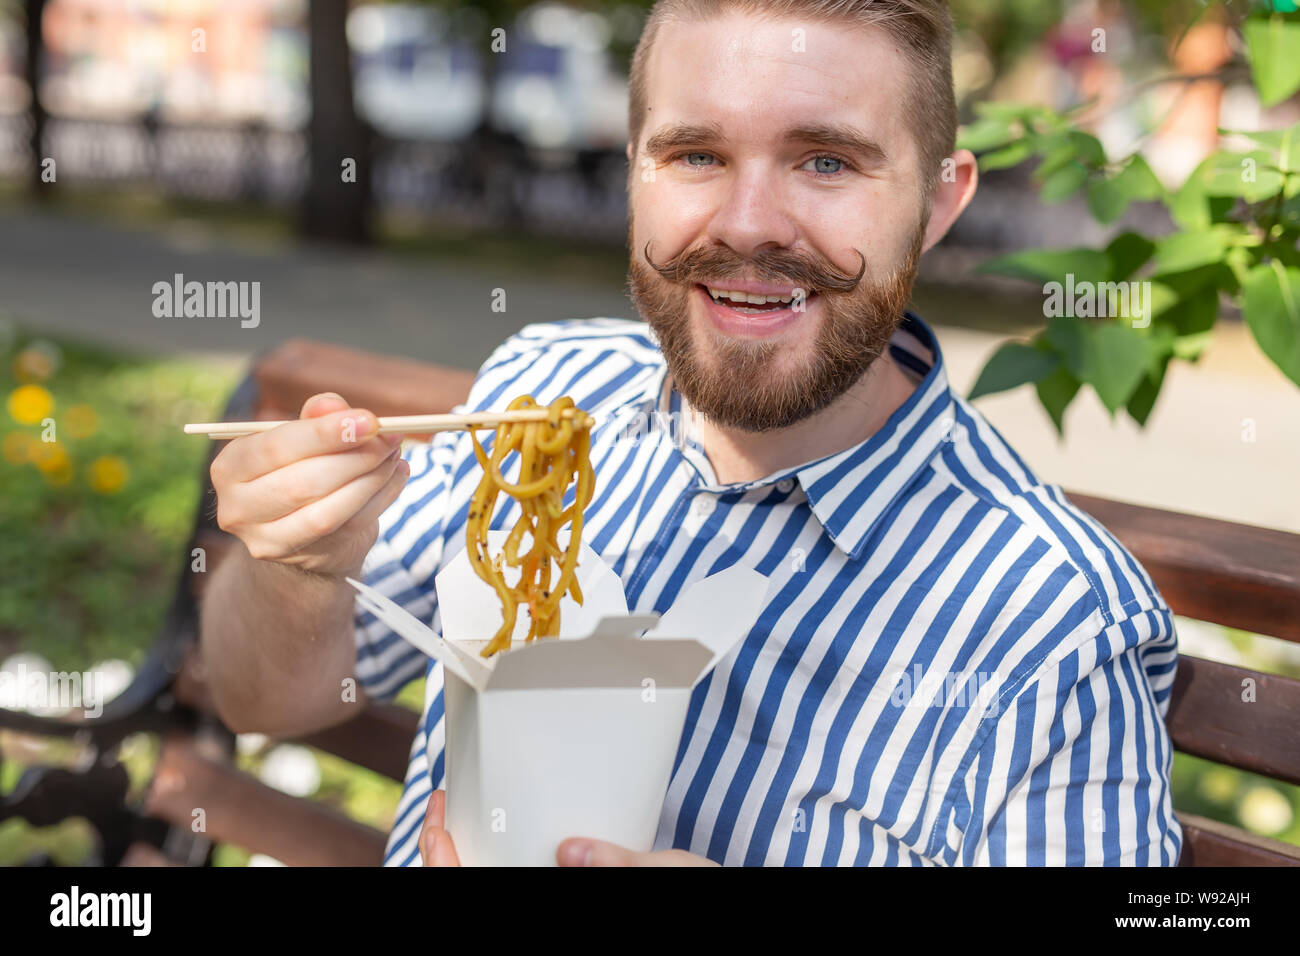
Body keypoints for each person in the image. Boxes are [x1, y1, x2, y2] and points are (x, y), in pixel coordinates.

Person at [201, 0, 1182, 867]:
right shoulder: (543, 388)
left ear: (938, 200)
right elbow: (267, 703)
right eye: (696, 154)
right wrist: (300, 566)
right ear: (635, 171)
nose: (749, 224)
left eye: (826, 159)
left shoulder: (1051, 619)